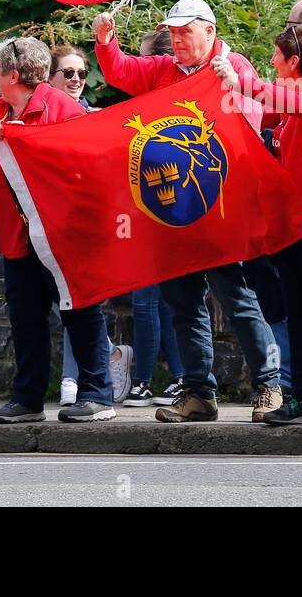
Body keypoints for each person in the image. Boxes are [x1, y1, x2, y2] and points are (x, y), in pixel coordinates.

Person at [93, 0, 283, 422]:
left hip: (219, 209)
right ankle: (199, 392)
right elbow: (121, 71)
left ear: (209, 32)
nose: (176, 41)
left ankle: (269, 386)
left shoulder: (235, 67)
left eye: (184, 33)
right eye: (173, 33)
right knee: (183, 303)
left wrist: (233, 84)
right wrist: (106, 41)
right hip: (173, 210)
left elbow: (252, 126)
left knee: (236, 298)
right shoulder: (164, 69)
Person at [0, 36, 114, 423]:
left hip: (63, 236)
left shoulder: (64, 110)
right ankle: (28, 399)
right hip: (18, 237)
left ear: (13, 74)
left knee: (81, 311)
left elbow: (87, 167)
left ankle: (97, 395)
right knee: (26, 316)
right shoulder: (0, 110)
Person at [215, 23, 302, 426]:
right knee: (297, 309)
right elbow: (259, 112)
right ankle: (301, 397)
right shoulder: (295, 94)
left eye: (277, 56)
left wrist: (243, 81)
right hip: (293, 217)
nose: (271, 62)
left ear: (295, 61)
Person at [46, 43, 133, 405]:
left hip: (89, 221)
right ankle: (112, 354)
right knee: (57, 297)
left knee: (77, 296)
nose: (77, 79)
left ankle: (74, 378)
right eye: (68, 73)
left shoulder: (96, 116)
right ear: (49, 78)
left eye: (82, 73)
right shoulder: (41, 116)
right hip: (50, 222)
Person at [122, 31, 185, 408]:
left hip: (161, 208)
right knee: (161, 301)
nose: (138, 67)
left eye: (143, 60)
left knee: (149, 300)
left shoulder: (160, 109)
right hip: (150, 209)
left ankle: (146, 381)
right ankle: (177, 377)